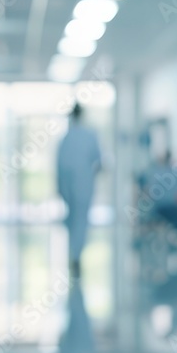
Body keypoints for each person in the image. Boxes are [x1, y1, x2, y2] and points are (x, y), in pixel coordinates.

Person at [56, 103, 103, 282]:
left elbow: (59, 166)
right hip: (84, 184)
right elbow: (98, 162)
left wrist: (60, 187)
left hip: (68, 186)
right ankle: (76, 256)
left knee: (73, 219)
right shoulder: (90, 135)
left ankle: (74, 254)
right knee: (81, 221)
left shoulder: (65, 138)